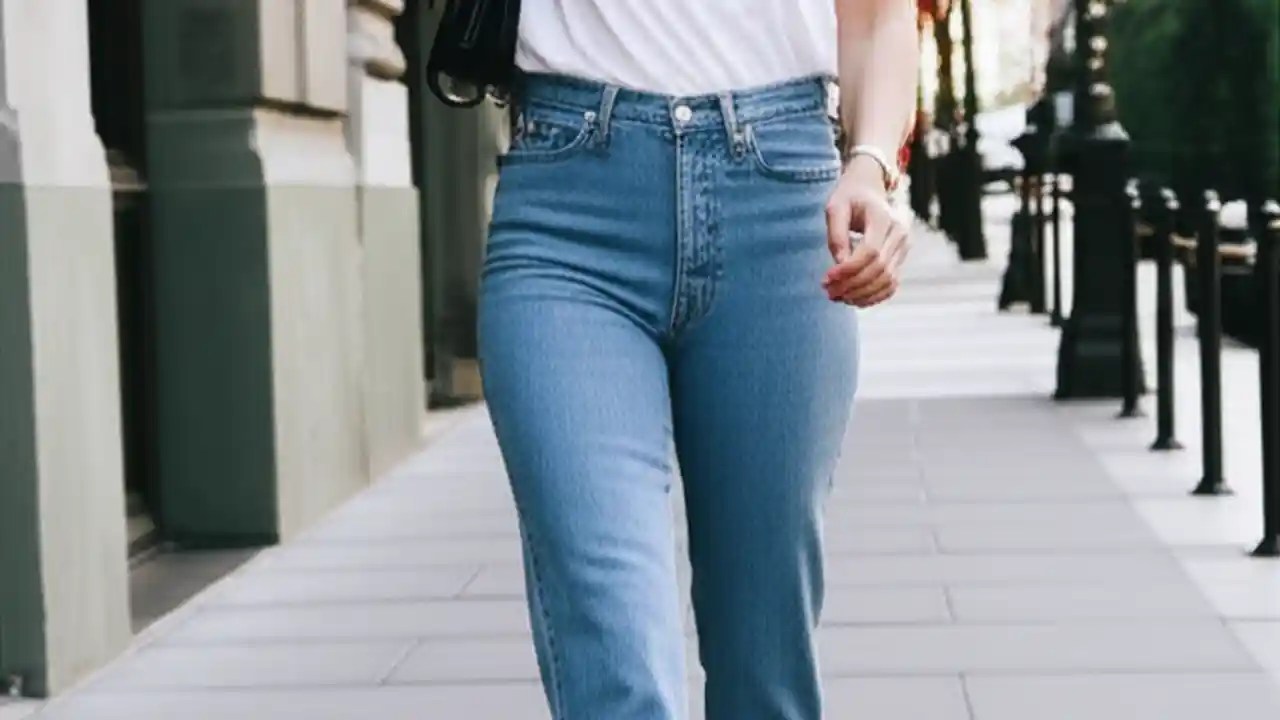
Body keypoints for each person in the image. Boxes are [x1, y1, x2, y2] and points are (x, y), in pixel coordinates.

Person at [476, 1, 917, 718]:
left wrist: (870, 166)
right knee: (615, 658)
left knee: (765, 664)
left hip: (781, 207)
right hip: (569, 214)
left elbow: (878, 18)